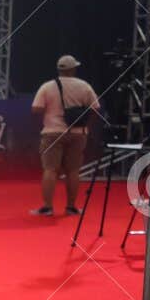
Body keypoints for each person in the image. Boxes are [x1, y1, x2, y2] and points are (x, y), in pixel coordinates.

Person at [30, 54, 101, 217]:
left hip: (52, 132)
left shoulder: (47, 86)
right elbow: (96, 108)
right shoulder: (84, 86)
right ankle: (71, 207)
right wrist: (85, 125)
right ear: (74, 69)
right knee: (73, 171)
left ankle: (47, 207)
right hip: (78, 133)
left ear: (59, 69)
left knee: (50, 170)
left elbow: (36, 109)